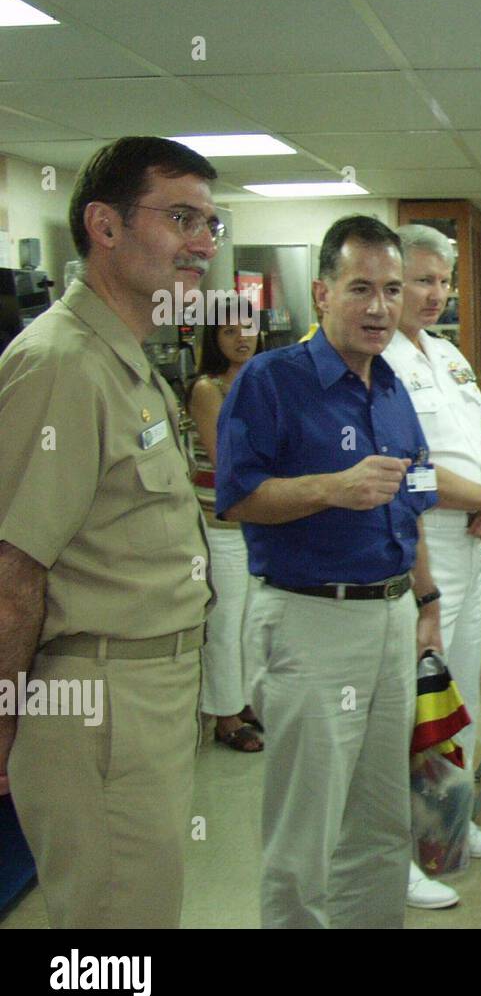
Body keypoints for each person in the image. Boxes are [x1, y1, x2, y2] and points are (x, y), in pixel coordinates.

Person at [0, 136, 219, 927]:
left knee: (135, 913)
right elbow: (13, 570)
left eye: (212, 225)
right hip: (98, 702)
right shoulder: (63, 363)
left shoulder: (122, 358)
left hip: (145, 693)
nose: (203, 244)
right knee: (116, 931)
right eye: (182, 218)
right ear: (105, 225)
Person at [216, 214, 442, 929]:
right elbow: (237, 497)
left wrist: (427, 601)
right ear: (322, 293)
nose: (380, 307)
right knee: (306, 830)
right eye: (360, 288)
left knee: (381, 822)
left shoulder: (392, 387)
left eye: (392, 290)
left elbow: (415, 498)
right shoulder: (272, 381)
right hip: (311, 622)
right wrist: (331, 487)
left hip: (391, 616)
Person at [383, 224, 481, 910]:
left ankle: (449, 825)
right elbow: (408, 472)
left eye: (443, 281)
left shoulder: (447, 353)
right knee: (414, 702)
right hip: (422, 543)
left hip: (473, 535)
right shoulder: (379, 360)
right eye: (422, 280)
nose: (436, 293)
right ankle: (399, 854)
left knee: (458, 693)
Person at [186, 311, 266, 752]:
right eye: (229, 331)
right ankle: (224, 714)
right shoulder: (208, 389)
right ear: (214, 339)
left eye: (247, 329)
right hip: (221, 522)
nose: (241, 338)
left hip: (260, 520)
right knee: (226, 618)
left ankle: (246, 698)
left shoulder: (263, 380)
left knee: (253, 619)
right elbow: (226, 459)